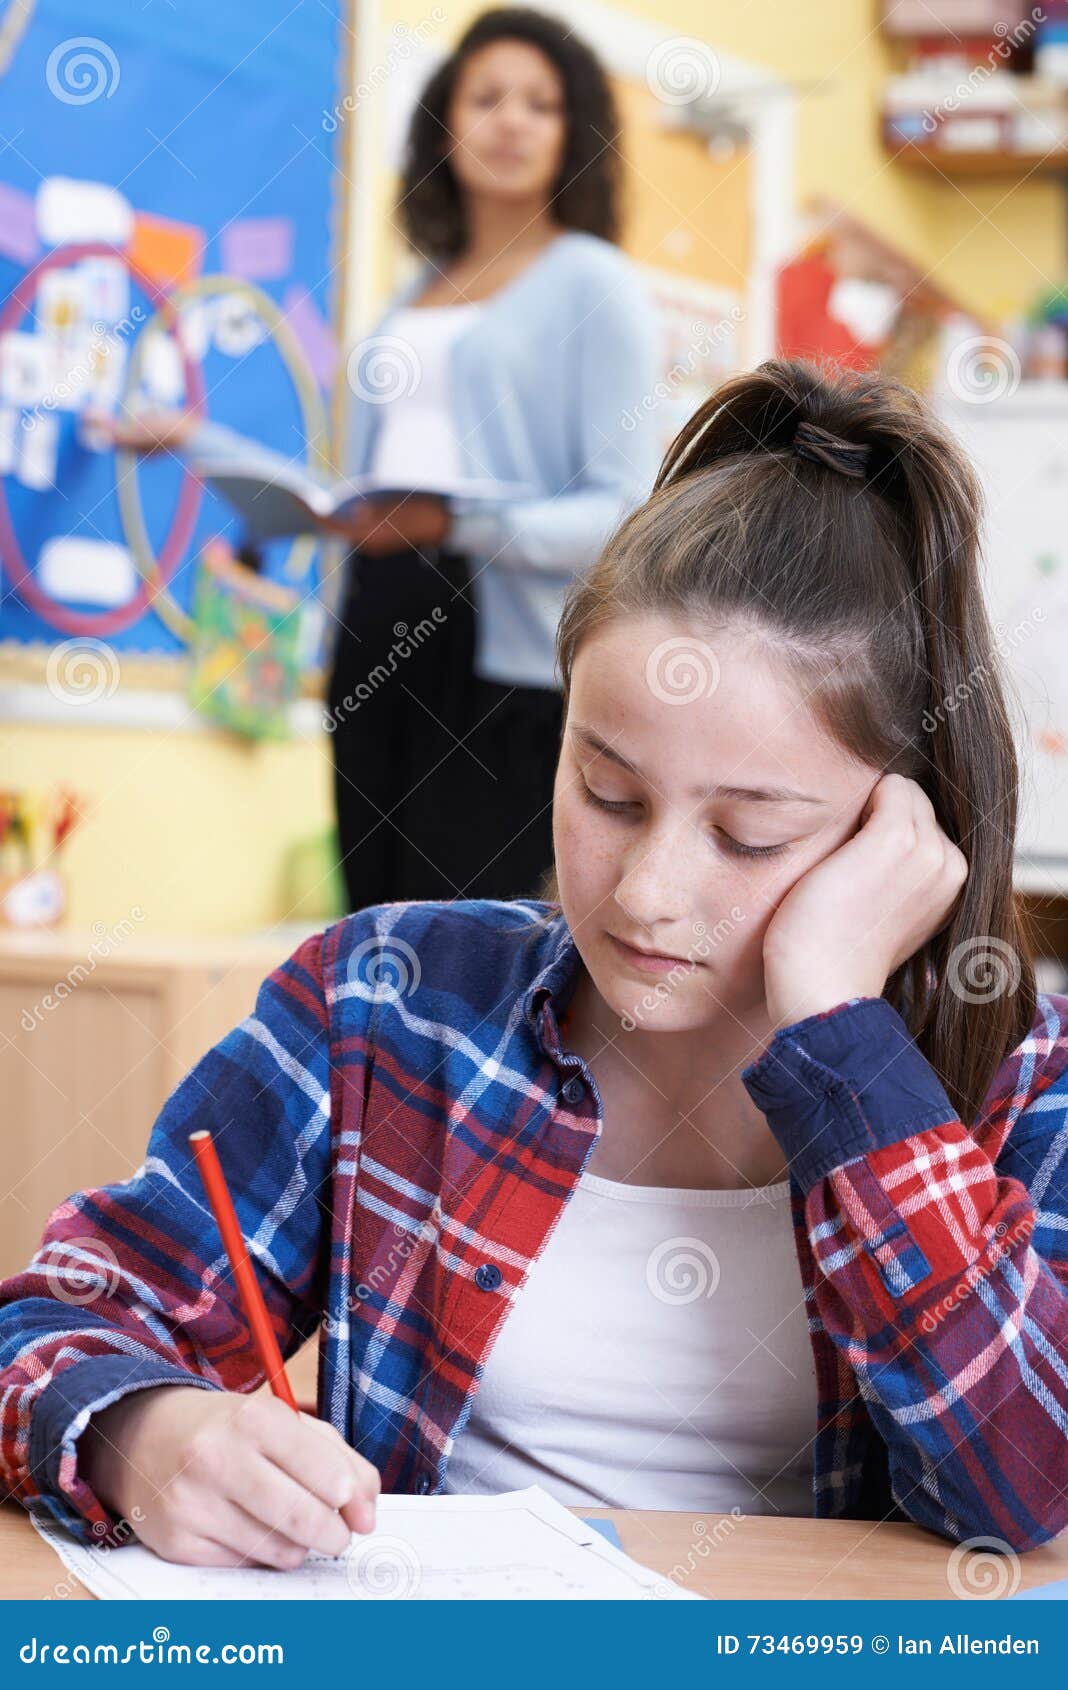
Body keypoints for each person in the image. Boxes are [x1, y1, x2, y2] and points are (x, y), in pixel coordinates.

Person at [4, 357, 1066, 1569]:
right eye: (609, 792)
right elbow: (57, 1312)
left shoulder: (1019, 1079)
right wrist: (142, 1429)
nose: (648, 892)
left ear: (900, 829)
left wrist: (841, 1036)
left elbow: (1029, 1490)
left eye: (748, 833)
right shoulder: (381, 1003)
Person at [109, 8, 661, 910]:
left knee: (471, 941)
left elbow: (623, 515)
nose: (511, 121)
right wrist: (192, 440)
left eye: (541, 103)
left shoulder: (595, 285)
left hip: (499, 652)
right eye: (486, 98)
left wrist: (457, 522)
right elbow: (346, 492)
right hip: (373, 622)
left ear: (575, 134)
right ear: (444, 122)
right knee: (372, 925)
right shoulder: (410, 295)